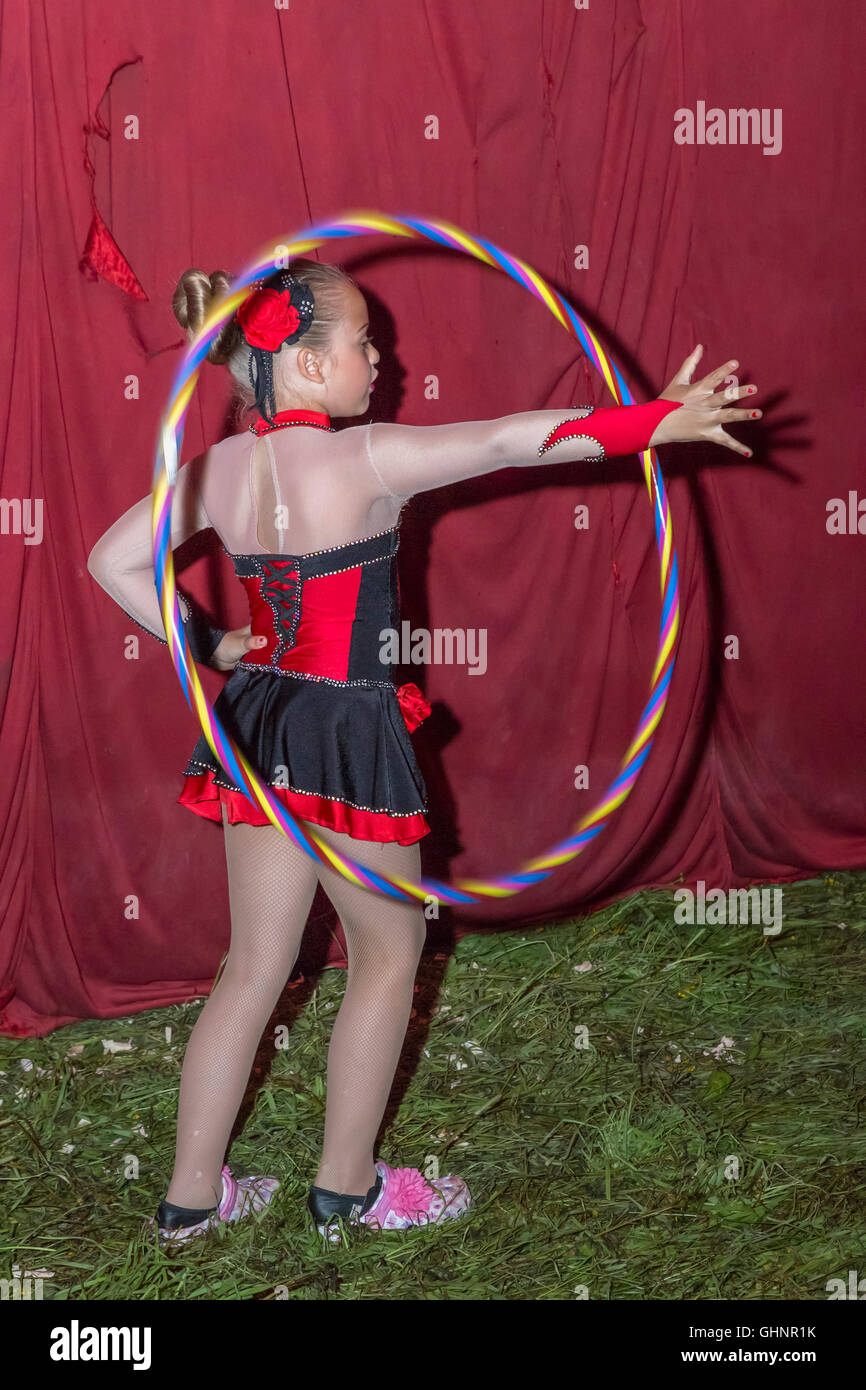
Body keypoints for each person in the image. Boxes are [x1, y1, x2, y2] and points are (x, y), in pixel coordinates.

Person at [87, 257, 761, 1245]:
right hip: (347, 731)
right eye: (362, 341)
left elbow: (110, 559)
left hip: (259, 720)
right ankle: (345, 1188)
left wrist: (212, 645)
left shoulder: (216, 470)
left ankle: (192, 1197)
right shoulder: (365, 460)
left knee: (251, 967)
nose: (378, 358)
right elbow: (509, 440)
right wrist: (649, 421)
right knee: (389, 949)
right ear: (308, 370)